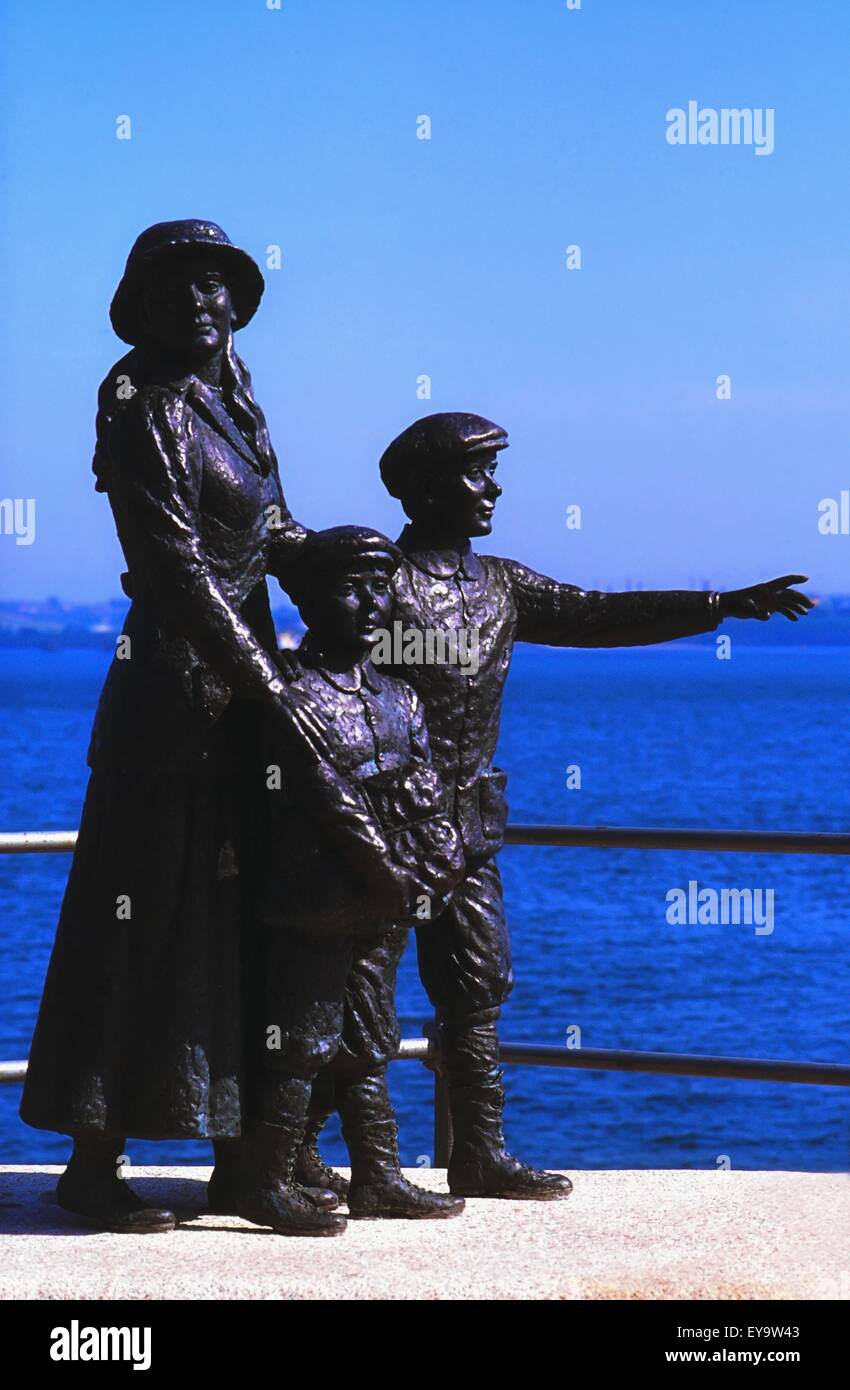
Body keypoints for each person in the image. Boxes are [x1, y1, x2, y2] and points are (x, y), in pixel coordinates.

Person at [295, 411, 812, 1201]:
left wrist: (721, 604)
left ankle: (480, 1154)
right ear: (428, 488)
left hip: (465, 830)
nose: (493, 488)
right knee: (359, 1002)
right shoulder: (381, 583)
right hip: (385, 831)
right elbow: (316, 656)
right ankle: (294, 1151)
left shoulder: (501, 585)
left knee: (478, 985)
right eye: (476, 473)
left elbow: (599, 613)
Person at [19, 221, 316, 1232]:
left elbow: (274, 535)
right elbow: (176, 571)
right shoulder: (143, 411)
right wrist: (269, 684)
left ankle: (244, 1159)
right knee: (134, 916)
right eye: (180, 285)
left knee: (239, 921)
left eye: (218, 284)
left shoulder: (230, 409)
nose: (203, 299)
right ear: (141, 306)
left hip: (237, 695)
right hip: (171, 700)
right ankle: (93, 1159)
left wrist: (373, 578)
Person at [231, 526, 465, 1235]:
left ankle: (379, 1175)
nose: (370, 604)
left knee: (370, 1039)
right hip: (314, 901)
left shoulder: (400, 695)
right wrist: (393, 873)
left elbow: (429, 790)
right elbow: (327, 798)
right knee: (299, 1043)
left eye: (379, 588)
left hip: (381, 904)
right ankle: (264, 1180)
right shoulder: (290, 694)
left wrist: (440, 862)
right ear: (308, 600)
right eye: (350, 588)